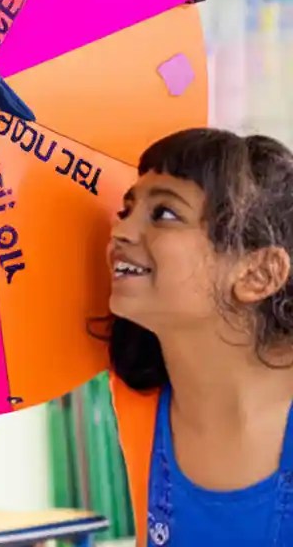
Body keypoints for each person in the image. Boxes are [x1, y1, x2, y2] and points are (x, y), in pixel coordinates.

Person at [104, 128, 293, 547]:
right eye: (126, 211)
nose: (119, 232)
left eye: (165, 214)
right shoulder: (139, 405)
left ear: (258, 273)